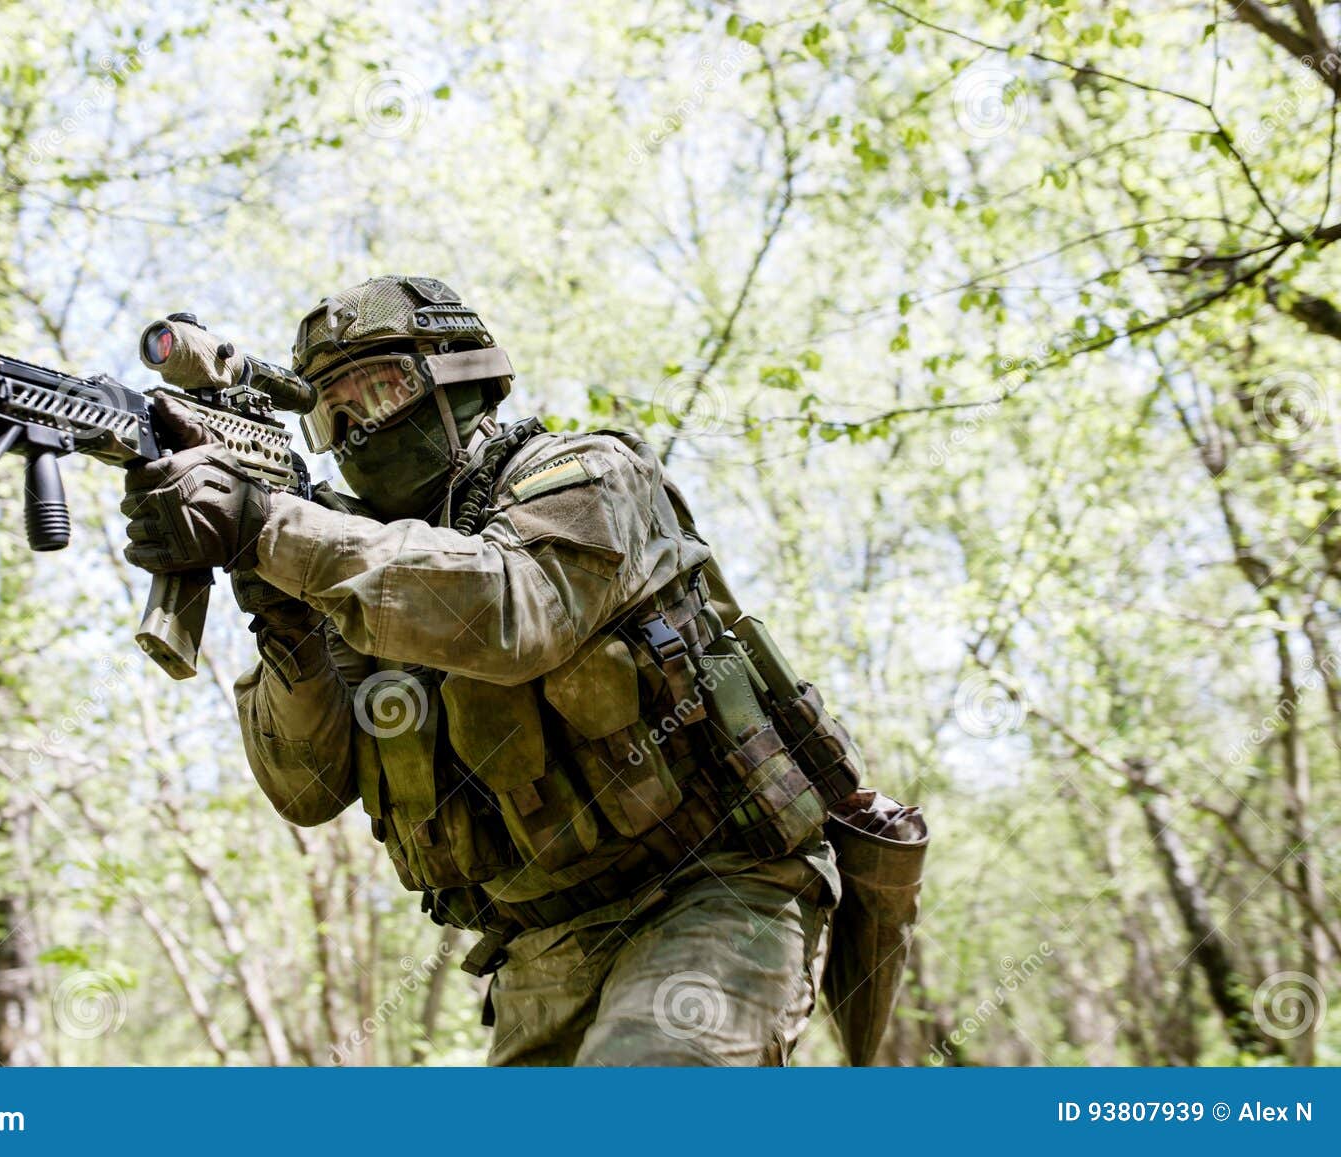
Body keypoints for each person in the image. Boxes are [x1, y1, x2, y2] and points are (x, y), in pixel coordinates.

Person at [120, 275, 872, 1065]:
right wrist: (281, 614)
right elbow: (306, 789)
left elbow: (516, 610)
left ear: (461, 381)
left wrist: (271, 527)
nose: (352, 425)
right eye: (329, 410)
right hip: (538, 945)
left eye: (376, 391)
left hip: (711, 889)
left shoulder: (591, 473)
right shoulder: (352, 563)